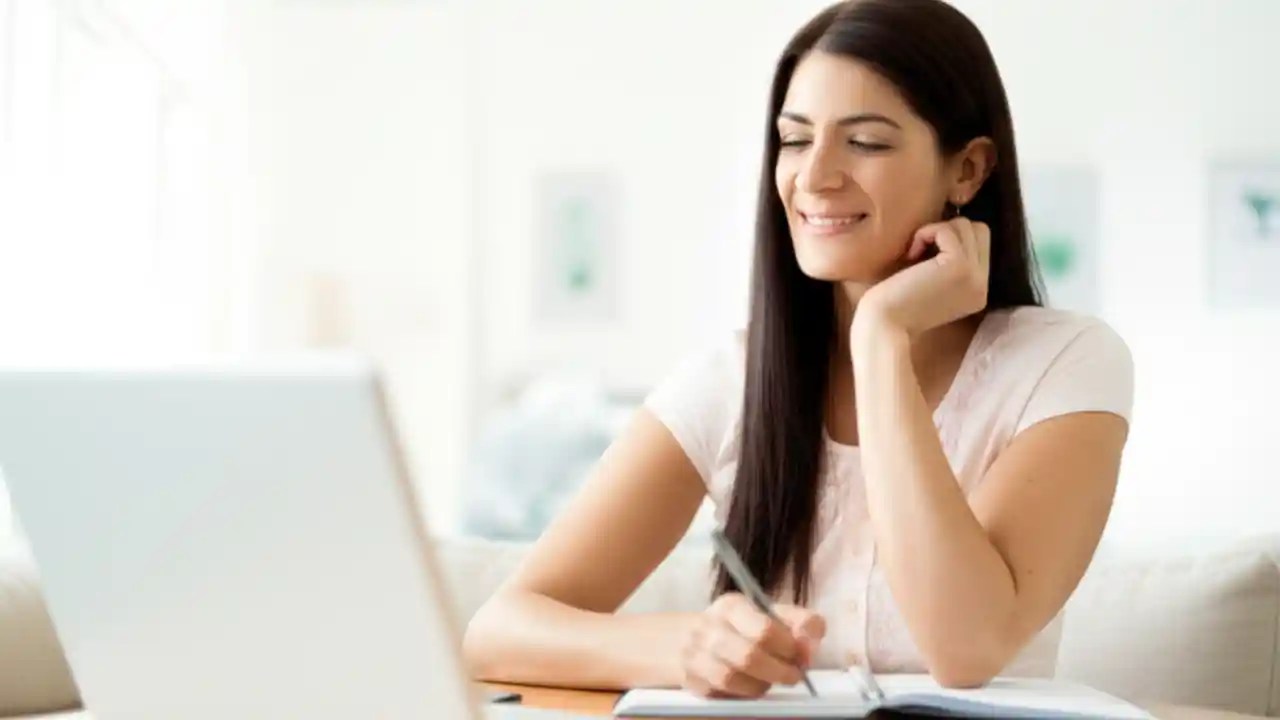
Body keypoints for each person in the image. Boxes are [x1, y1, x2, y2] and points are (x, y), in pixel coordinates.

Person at [463, 0, 1133, 697]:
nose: (814, 177)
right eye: (793, 140)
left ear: (966, 170)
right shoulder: (732, 381)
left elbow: (965, 649)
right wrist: (682, 649)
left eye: (865, 143)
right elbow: (500, 629)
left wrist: (881, 338)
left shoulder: (1067, 366)